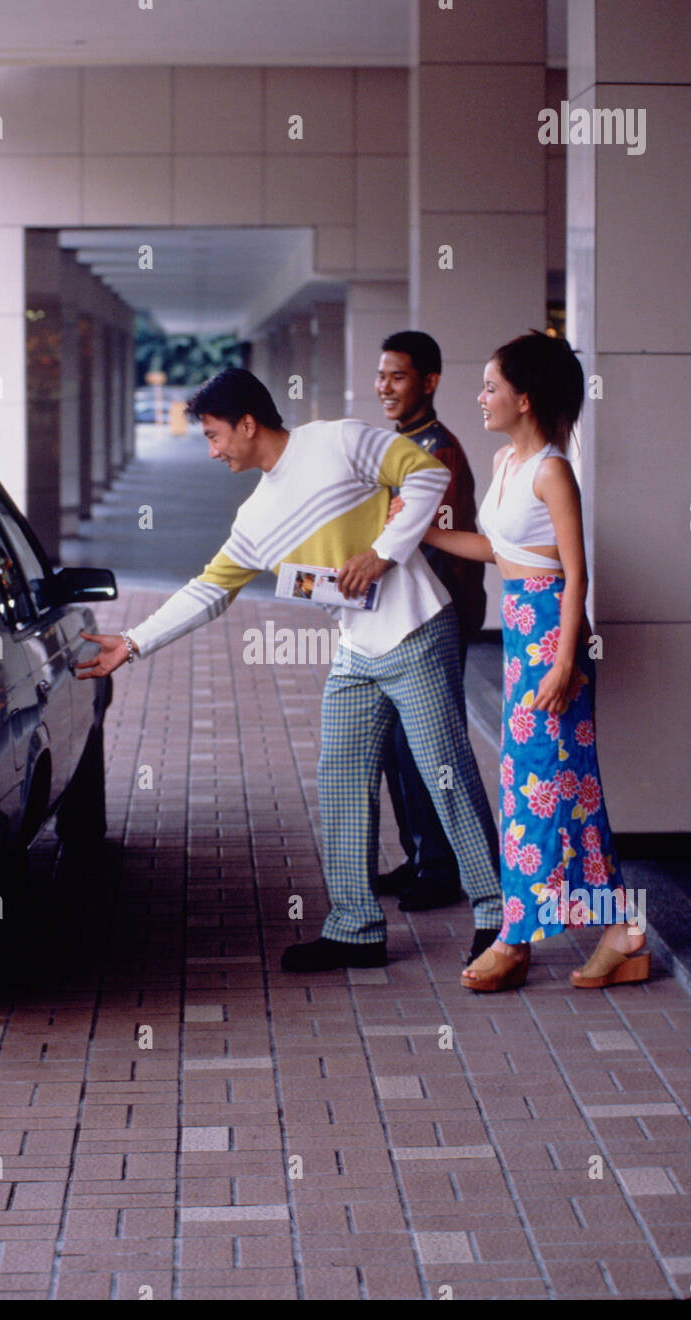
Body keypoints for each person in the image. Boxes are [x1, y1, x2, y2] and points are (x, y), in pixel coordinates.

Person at [76, 367, 503, 972]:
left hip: (416, 629)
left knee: (446, 774)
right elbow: (208, 591)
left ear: (249, 424)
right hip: (356, 649)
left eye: (216, 435)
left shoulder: (339, 440)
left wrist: (383, 554)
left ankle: (496, 916)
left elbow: (429, 473)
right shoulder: (253, 519)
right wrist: (134, 641)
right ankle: (356, 928)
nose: (212, 449)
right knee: (341, 785)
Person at [412, 331, 648, 991]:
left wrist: (566, 660)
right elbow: (497, 548)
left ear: (526, 396)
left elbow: (577, 575)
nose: (481, 397)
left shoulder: (551, 468)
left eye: (491, 387)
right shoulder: (506, 462)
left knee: (547, 795)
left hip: (552, 640)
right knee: (546, 791)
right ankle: (620, 931)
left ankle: (519, 940)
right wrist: (423, 532)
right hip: (520, 637)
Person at [375, 332, 488, 937]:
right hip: (402, 618)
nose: (384, 387)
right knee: (399, 744)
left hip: (430, 619)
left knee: (429, 749)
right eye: (381, 375)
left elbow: (433, 546)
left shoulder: (436, 450)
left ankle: (445, 867)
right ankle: (422, 856)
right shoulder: (404, 444)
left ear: (430, 382)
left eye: (397, 376)